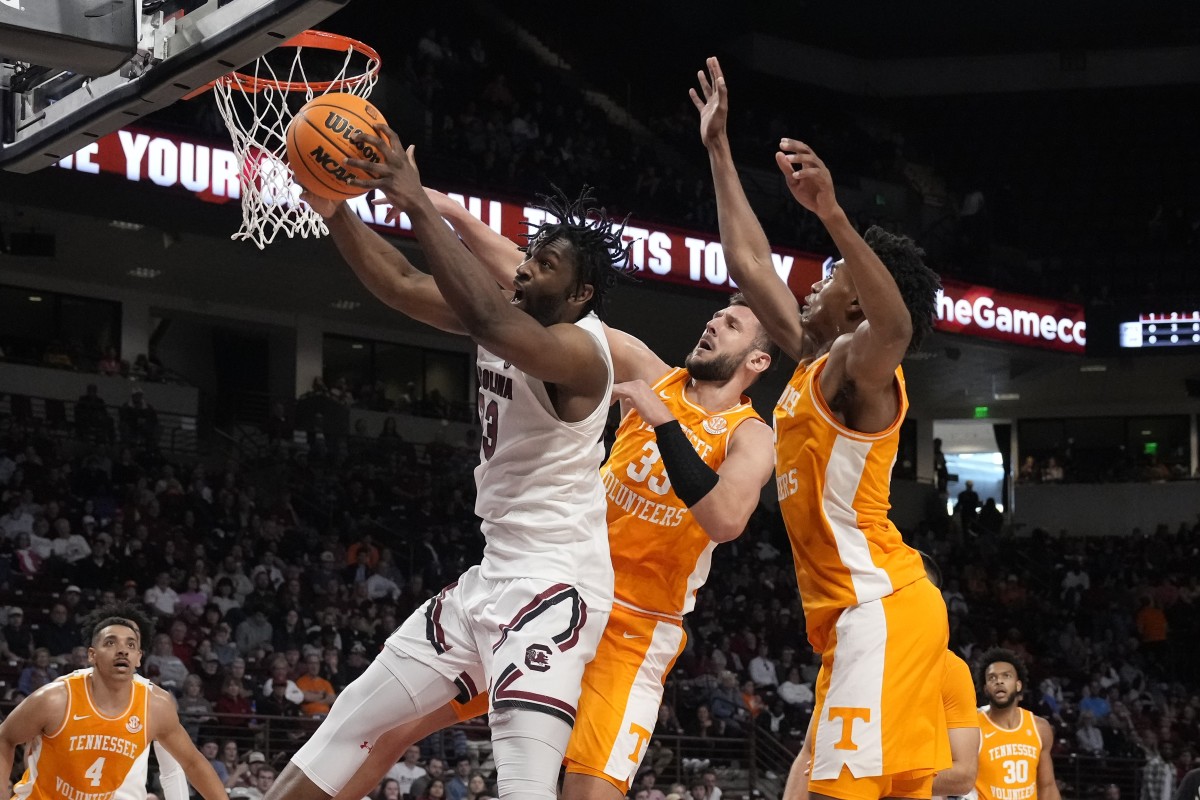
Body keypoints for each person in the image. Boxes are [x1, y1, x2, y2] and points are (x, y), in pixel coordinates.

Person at [316, 185, 776, 800]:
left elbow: (723, 520)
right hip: (556, 591)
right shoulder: (645, 367)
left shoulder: (750, 435)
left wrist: (664, 423)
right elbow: (533, 287)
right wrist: (450, 212)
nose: (714, 323)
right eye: (716, 315)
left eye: (733, 323)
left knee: (583, 795)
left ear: (758, 362)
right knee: (391, 730)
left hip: (636, 629)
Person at [269, 132, 629, 800]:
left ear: (580, 293)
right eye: (527, 256)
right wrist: (335, 211)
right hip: (487, 581)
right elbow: (405, 284)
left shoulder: (582, 355)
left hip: (555, 589)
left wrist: (415, 202)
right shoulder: (509, 310)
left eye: (544, 265)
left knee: (523, 784)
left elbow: (491, 322)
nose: (525, 269)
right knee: (349, 725)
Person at [693, 56, 948, 799]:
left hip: (879, 606)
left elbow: (896, 327)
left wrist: (835, 214)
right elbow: (748, 261)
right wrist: (717, 149)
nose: (814, 279)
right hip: (856, 619)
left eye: (833, 269)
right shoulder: (812, 358)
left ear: (860, 303)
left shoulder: (862, 367)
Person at [784, 553, 980, 800]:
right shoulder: (845, 659)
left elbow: (964, 774)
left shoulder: (950, 669)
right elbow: (808, 755)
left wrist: (870, 770)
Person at [0, 606, 228, 800]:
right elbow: (5, 738)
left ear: (139, 657)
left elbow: (192, 763)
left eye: (130, 645)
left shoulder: (155, 705)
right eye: (111, 642)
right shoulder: (55, 699)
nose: (122, 650)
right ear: (92, 654)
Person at [972, 648, 1060, 800]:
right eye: (992, 678)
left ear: (1018, 685)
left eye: (1006, 676)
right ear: (986, 689)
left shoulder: (1040, 728)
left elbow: (1048, 786)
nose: (999, 681)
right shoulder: (972, 728)